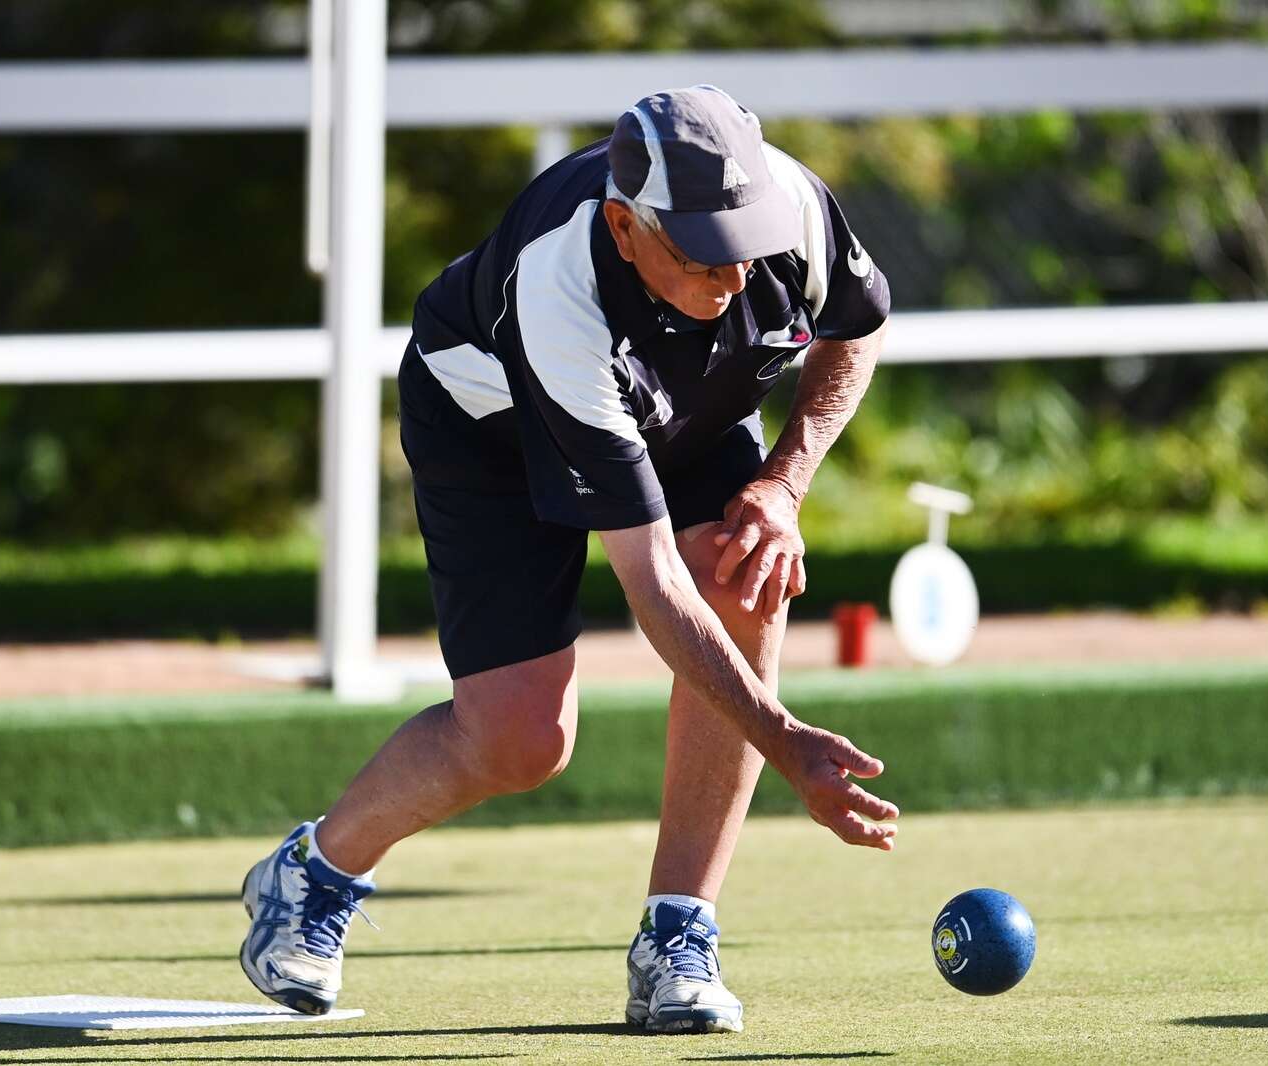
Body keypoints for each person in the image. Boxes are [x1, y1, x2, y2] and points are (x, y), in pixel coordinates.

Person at [240, 84, 897, 1036]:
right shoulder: (560, 289)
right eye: (699, 251)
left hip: (691, 398)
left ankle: (679, 936)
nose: (734, 273)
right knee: (521, 741)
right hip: (493, 421)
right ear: (626, 229)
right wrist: (786, 743)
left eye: (743, 242)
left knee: (746, 566)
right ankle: (313, 872)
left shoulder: (787, 207)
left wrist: (785, 485)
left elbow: (857, 329)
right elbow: (653, 585)